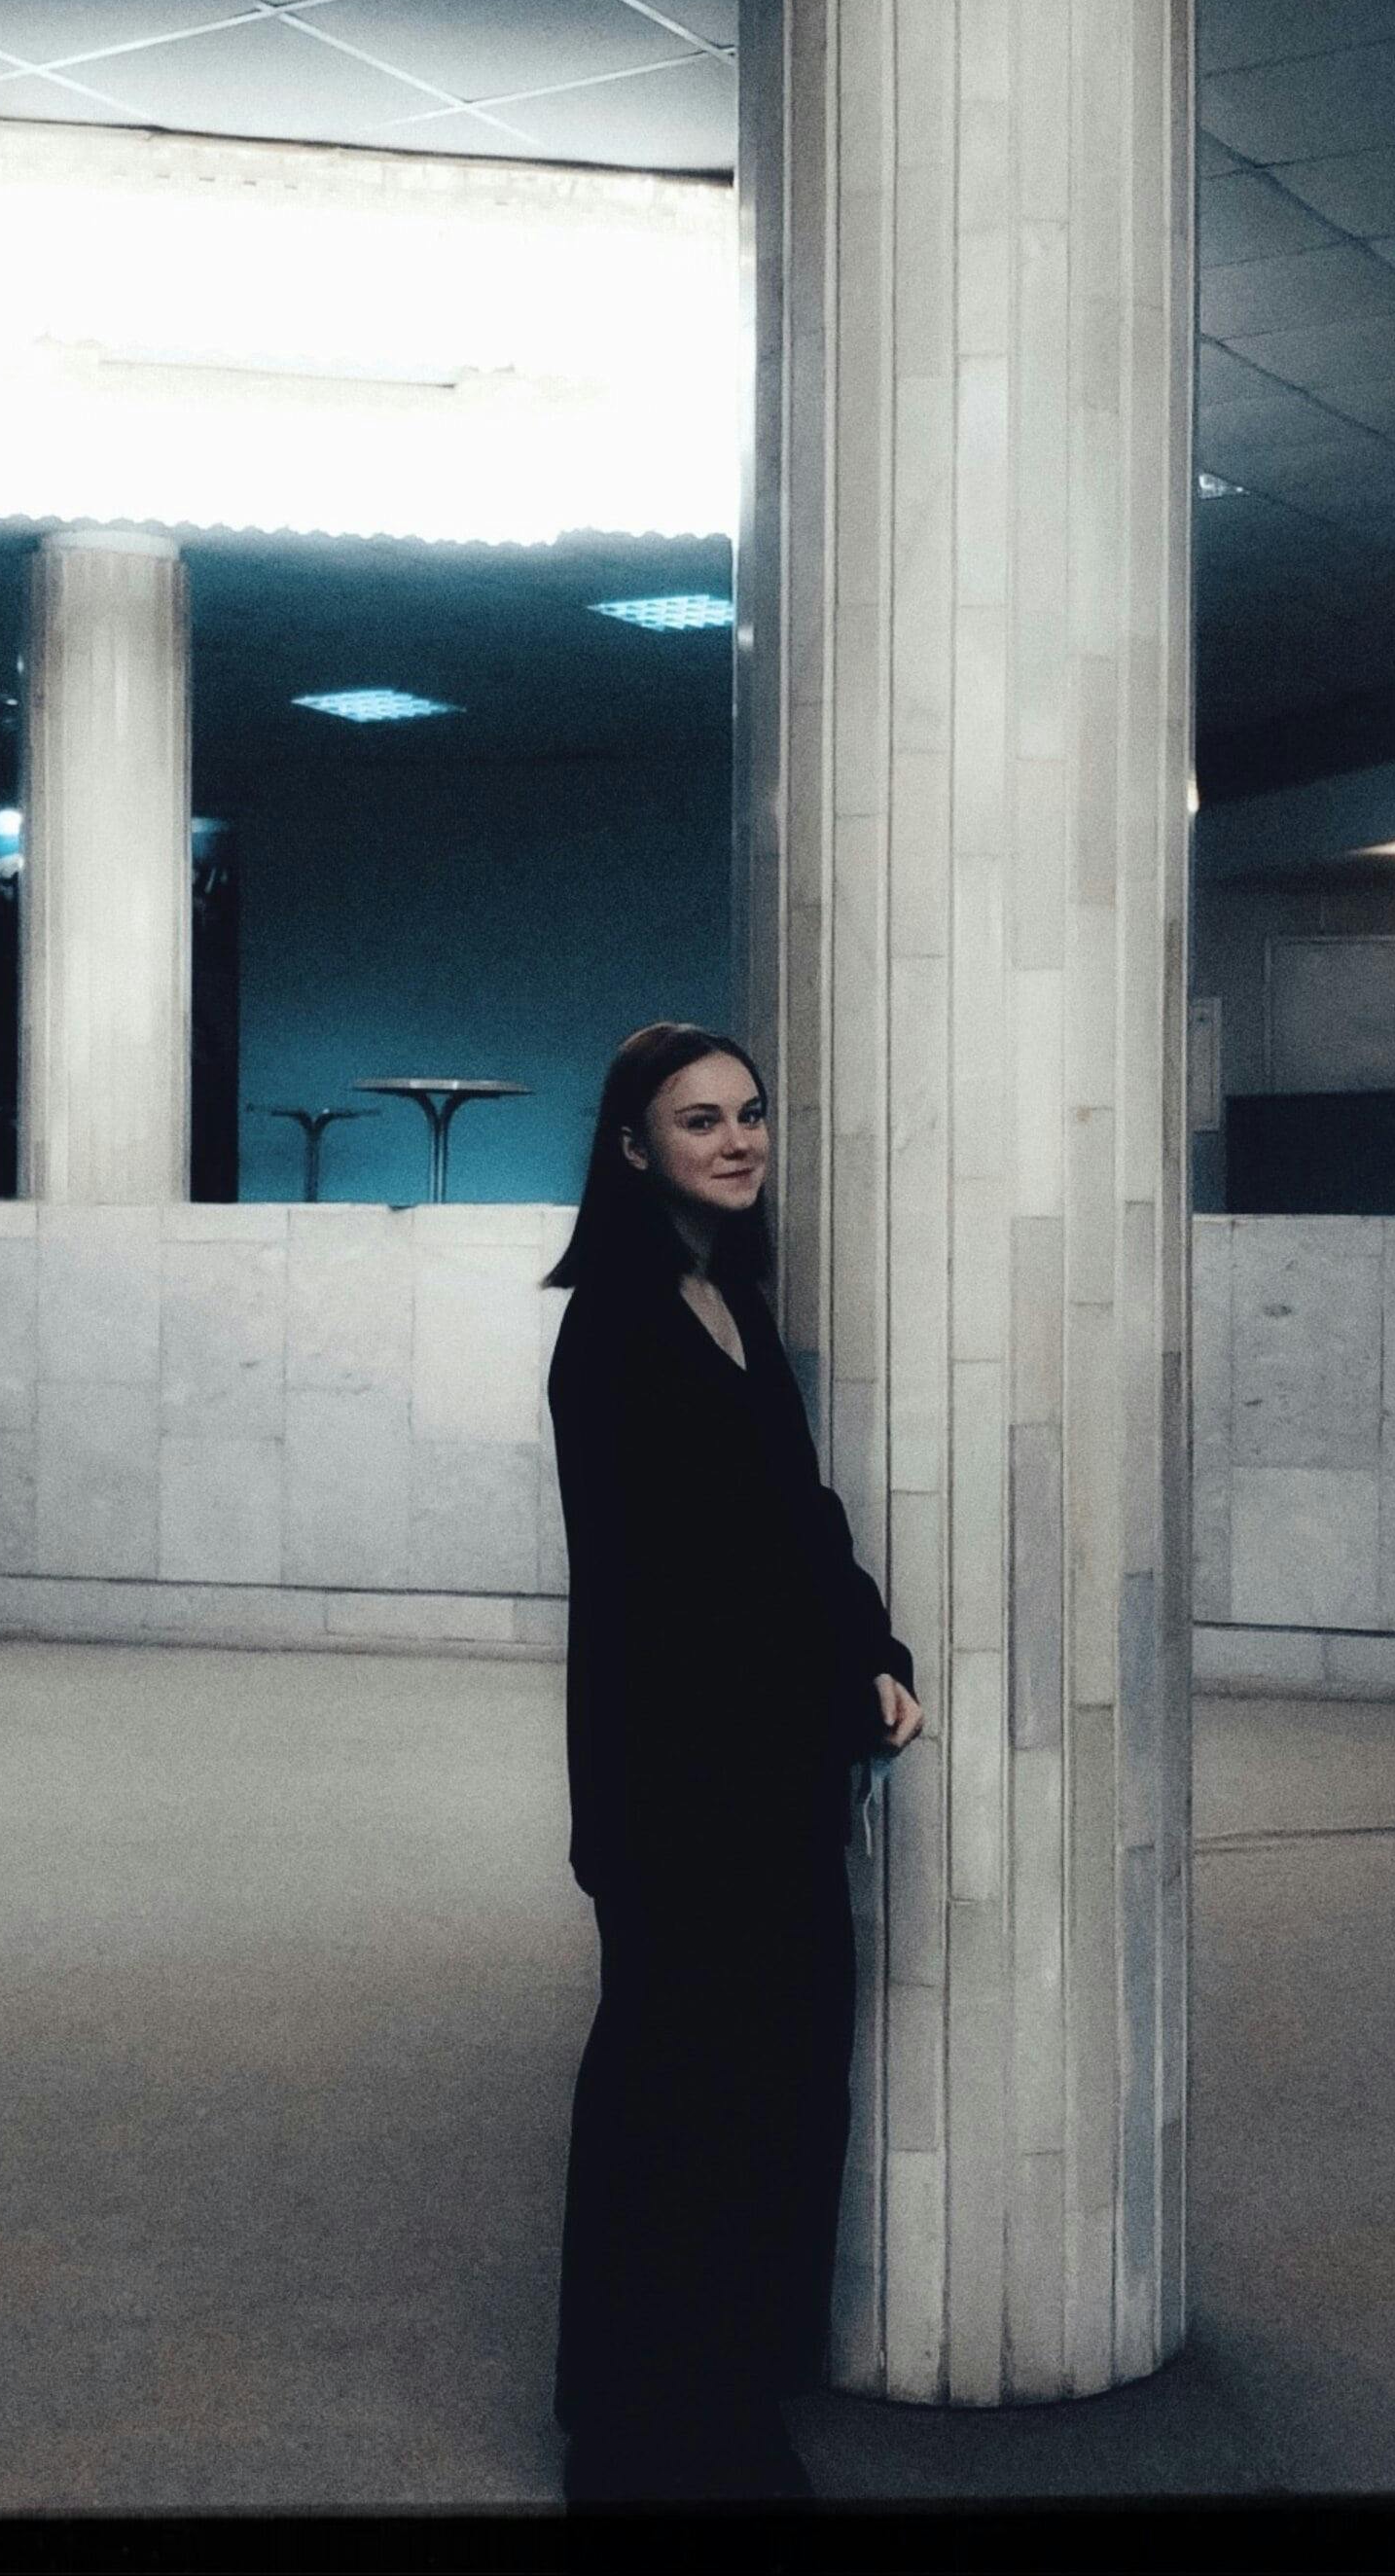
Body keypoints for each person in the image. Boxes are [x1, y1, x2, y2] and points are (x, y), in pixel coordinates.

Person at [538, 1020, 926, 2519]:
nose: (738, 1140)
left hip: (763, 1766)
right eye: (699, 1121)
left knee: (774, 2079)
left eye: (751, 1113)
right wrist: (822, 1680)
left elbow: (796, 1514)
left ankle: (727, 2384)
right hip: (674, 1777)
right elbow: (668, 1588)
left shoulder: (732, 1302)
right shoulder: (616, 1326)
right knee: (672, 2090)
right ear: (634, 1148)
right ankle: (641, 2425)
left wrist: (872, 1650)